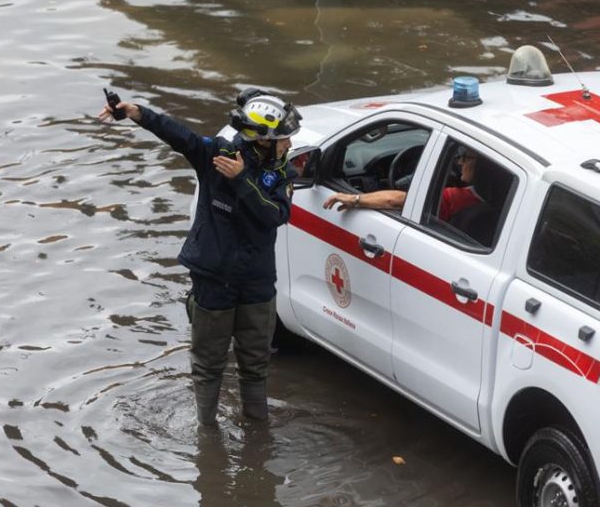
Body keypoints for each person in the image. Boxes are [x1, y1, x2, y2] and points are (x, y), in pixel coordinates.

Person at [97, 88, 301, 426]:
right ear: (262, 140)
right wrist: (136, 112)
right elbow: (179, 135)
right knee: (208, 364)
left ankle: (257, 433)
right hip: (213, 278)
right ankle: (207, 438)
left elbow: (274, 216)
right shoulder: (215, 155)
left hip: (257, 282)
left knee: (256, 364)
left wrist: (241, 181)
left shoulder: (281, 174)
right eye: (284, 139)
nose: (289, 145)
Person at [323, 147, 480, 220]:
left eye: (466, 157)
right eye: (459, 156)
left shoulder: (459, 198)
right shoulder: (498, 196)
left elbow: (397, 200)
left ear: (483, 165)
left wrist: (354, 199)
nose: (459, 162)